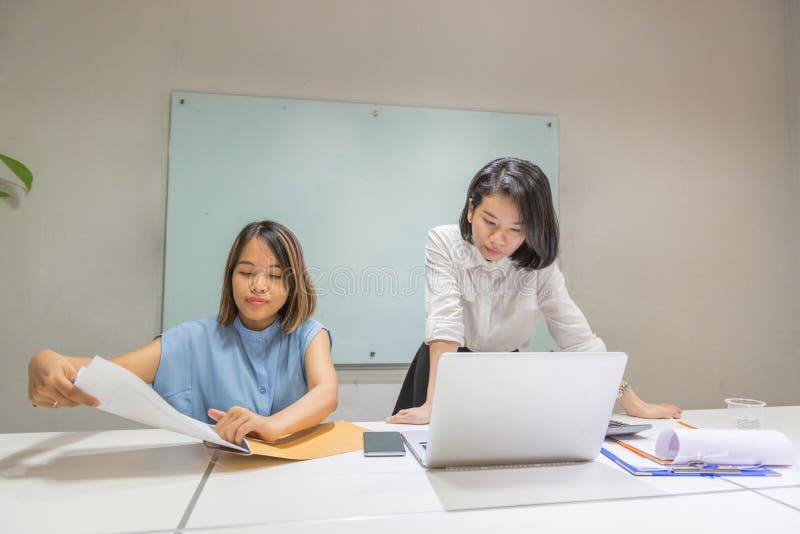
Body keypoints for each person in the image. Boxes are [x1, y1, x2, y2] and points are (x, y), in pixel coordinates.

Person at [387, 157, 681, 425]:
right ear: (470, 209)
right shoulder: (444, 242)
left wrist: (633, 404)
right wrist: (432, 404)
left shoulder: (539, 264)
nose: (498, 239)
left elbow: (579, 341)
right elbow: (445, 325)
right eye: (489, 222)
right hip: (443, 369)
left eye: (516, 229)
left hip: (506, 371)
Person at [28, 220, 338, 444]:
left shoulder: (309, 335)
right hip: (213, 480)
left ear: (293, 283)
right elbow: (108, 372)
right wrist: (46, 360)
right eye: (246, 272)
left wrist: (272, 425)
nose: (258, 285)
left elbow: (326, 393)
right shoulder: (192, 339)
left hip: (294, 478)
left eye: (273, 275)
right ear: (230, 277)